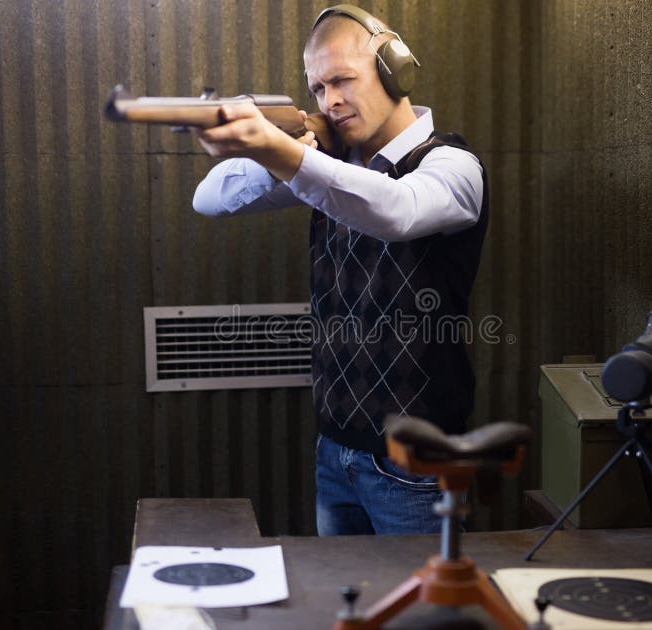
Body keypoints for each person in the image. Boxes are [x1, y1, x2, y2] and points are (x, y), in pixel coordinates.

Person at [192, 4, 488, 536]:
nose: (331, 101)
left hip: (416, 464)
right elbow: (211, 198)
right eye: (318, 89)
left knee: (426, 619)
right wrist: (286, 149)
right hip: (335, 453)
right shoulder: (332, 166)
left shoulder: (453, 165)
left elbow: (397, 209)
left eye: (343, 80)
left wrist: (283, 151)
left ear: (394, 67)